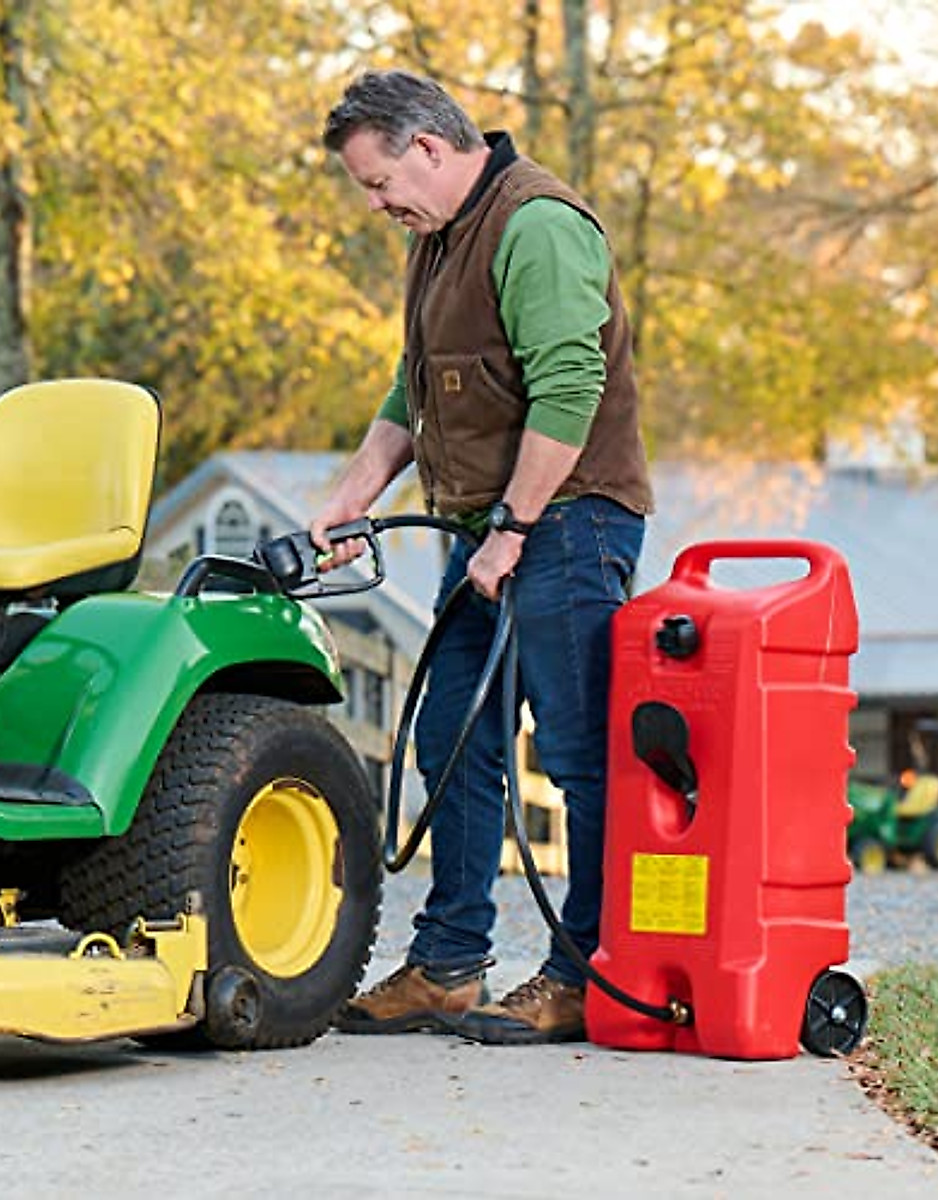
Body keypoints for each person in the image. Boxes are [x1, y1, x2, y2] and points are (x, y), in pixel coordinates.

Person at [312, 69, 654, 1044]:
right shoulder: (438, 238)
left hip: (568, 522)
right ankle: (449, 964)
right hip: (484, 530)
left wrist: (513, 529)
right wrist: (353, 495)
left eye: (379, 184)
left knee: (579, 755)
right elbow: (413, 387)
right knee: (453, 737)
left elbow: (568, 386)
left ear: (427, 147)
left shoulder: (536, 225)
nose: (376, 206)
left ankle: (586, 973)